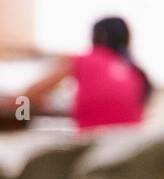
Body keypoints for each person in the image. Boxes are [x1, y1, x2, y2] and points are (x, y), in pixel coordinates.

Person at [22, 16, 152, 131]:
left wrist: (17, 100)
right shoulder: (136, 72)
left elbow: (33, 92)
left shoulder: (82, 60)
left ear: (99, 36)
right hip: (127, 145)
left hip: (92, 141)